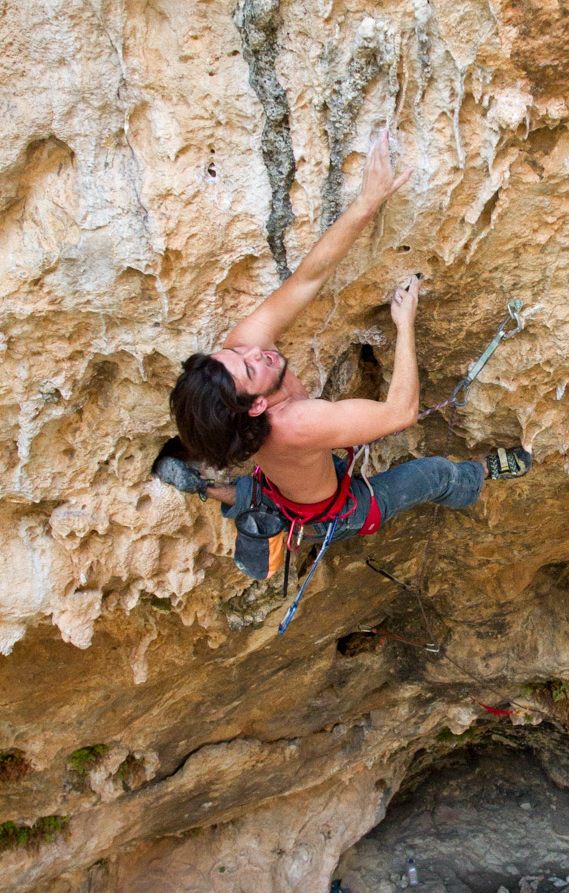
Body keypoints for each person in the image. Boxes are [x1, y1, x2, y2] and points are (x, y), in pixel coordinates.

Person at [158, 131, 531, 573]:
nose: (257, 352)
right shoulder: (296, 423)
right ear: (257, 404)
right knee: (434, 475)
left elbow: (308, 279)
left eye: (241, 353)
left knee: (265, 490)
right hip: (340, 507)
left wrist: (367, 202)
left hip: (288, 479)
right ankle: (485, 471)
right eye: (251, 367)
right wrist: (404, 325)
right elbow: (400, 413)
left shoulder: (241, 366)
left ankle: (211, 490)